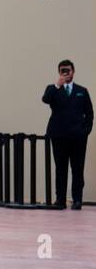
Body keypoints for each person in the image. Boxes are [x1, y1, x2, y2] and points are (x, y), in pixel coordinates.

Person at [43, 60, 92, 209]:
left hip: (78, 137)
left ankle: (77, 200)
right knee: (60, 168)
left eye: (68, 70)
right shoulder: (53, 89)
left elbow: (89, 113)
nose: (66, 73)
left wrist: (86, 131)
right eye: (63, 70)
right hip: (59, 136)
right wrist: (58, 84)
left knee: (77, 169)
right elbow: (45, 99)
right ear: (59, 72)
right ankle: (60, 200)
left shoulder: (82, 91)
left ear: (73, 71)